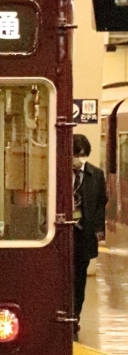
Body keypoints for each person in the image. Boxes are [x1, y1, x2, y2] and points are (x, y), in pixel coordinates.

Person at [72, 134, 108, 331]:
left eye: (83, 155)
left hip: (84, 235)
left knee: (80, 278)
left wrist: (98, 231)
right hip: (63, 234)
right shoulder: (59, 173)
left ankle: (75, 315)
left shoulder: (96, 175)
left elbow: (101, 203)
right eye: (76, 154)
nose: (79, 159)